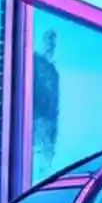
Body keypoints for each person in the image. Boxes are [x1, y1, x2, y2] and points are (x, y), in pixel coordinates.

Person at [33, 29, 60, 173]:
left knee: (47, 153)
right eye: (49, 41)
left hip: (50, 119)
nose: (51, 45)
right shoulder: (36, 62)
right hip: (37, 117)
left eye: (53, 42)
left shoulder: (52, 68)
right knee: (38, 151)